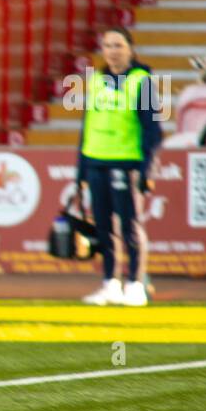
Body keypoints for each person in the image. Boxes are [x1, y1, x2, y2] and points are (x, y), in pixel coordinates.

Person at [76, 27, 163, 308]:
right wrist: (80, 170)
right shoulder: (97, 80)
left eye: (118, 44)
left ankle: (136, 284)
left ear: (130, 48)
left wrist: (147, 167)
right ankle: (110, 283)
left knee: (130, 225)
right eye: (107, 45)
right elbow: (87, 126)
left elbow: (153, 128)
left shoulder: (143, 81)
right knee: (103, 227)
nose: (112, 50)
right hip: (96, 160)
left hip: (127, 161)